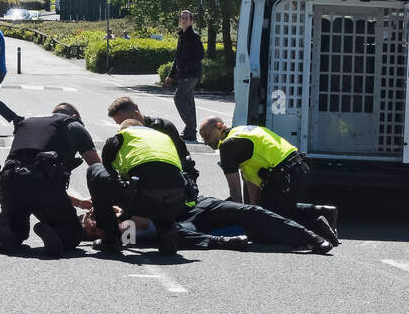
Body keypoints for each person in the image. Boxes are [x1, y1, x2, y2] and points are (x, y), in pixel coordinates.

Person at [198, 117, 338, 242]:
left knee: (271, 223)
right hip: (300, 169)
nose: (205, 142)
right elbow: (252, 181)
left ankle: (316, 222)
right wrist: (254, 212)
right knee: (266, 215)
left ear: (220, 126)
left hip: (285, 176)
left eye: (207, 136)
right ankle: (325, 212)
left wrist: (240, 220)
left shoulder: (227, 146)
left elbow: (235, 190)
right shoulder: (243, 131)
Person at [0, 103, 99, 257]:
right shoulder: (73, 125)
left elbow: (27, 171)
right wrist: (104, 203)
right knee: (73, 231)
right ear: (75, 116)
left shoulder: (27, 124)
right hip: (43, 186)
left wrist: (81, 202)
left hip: (10, 182)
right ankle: (56, 233)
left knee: (18, 228)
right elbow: (97, 169)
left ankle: (6, 228)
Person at [80, 196, 335, 254]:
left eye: (94, 224)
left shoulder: (121, 208)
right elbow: (144, 226)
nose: (96, 230)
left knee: (251, 211)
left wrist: (118, 211)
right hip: (180, 226)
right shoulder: (123, 236)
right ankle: (226, 243)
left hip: (195, 205)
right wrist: (117, 222)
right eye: (93, 232)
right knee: (177, 233)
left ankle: (311, 234)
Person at [86, 119, 192, 255]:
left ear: (121, 130)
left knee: (95, 170)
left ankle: (111, 238)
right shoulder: (165, 137)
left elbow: (108, 176)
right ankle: (166, 230)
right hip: (176, 201)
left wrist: (118, 212)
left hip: (143, 199)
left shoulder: (120, 137)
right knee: (159, 185)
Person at [107, 96, 200, 199]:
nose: (122, 127)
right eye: (119, 124)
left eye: (124, 121)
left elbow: (185, 159)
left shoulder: (163, 128)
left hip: (170, 183)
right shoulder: (123, 135)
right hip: (141, 184)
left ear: (136, 114)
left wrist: (190, 188)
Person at [164, 10, 204, 141]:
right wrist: (171, 75)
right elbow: (177, 58)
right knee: (189, 102)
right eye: (182, 18)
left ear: (191, 21)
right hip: (183, 74)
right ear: (180, 20)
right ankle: (191, 132)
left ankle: (190, 127)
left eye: (187, 18)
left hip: (191, 74)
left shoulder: (194, 36)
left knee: (178, 99)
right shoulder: (182, 36)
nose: (184, 20)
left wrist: (186, 67)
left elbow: (200, 55)